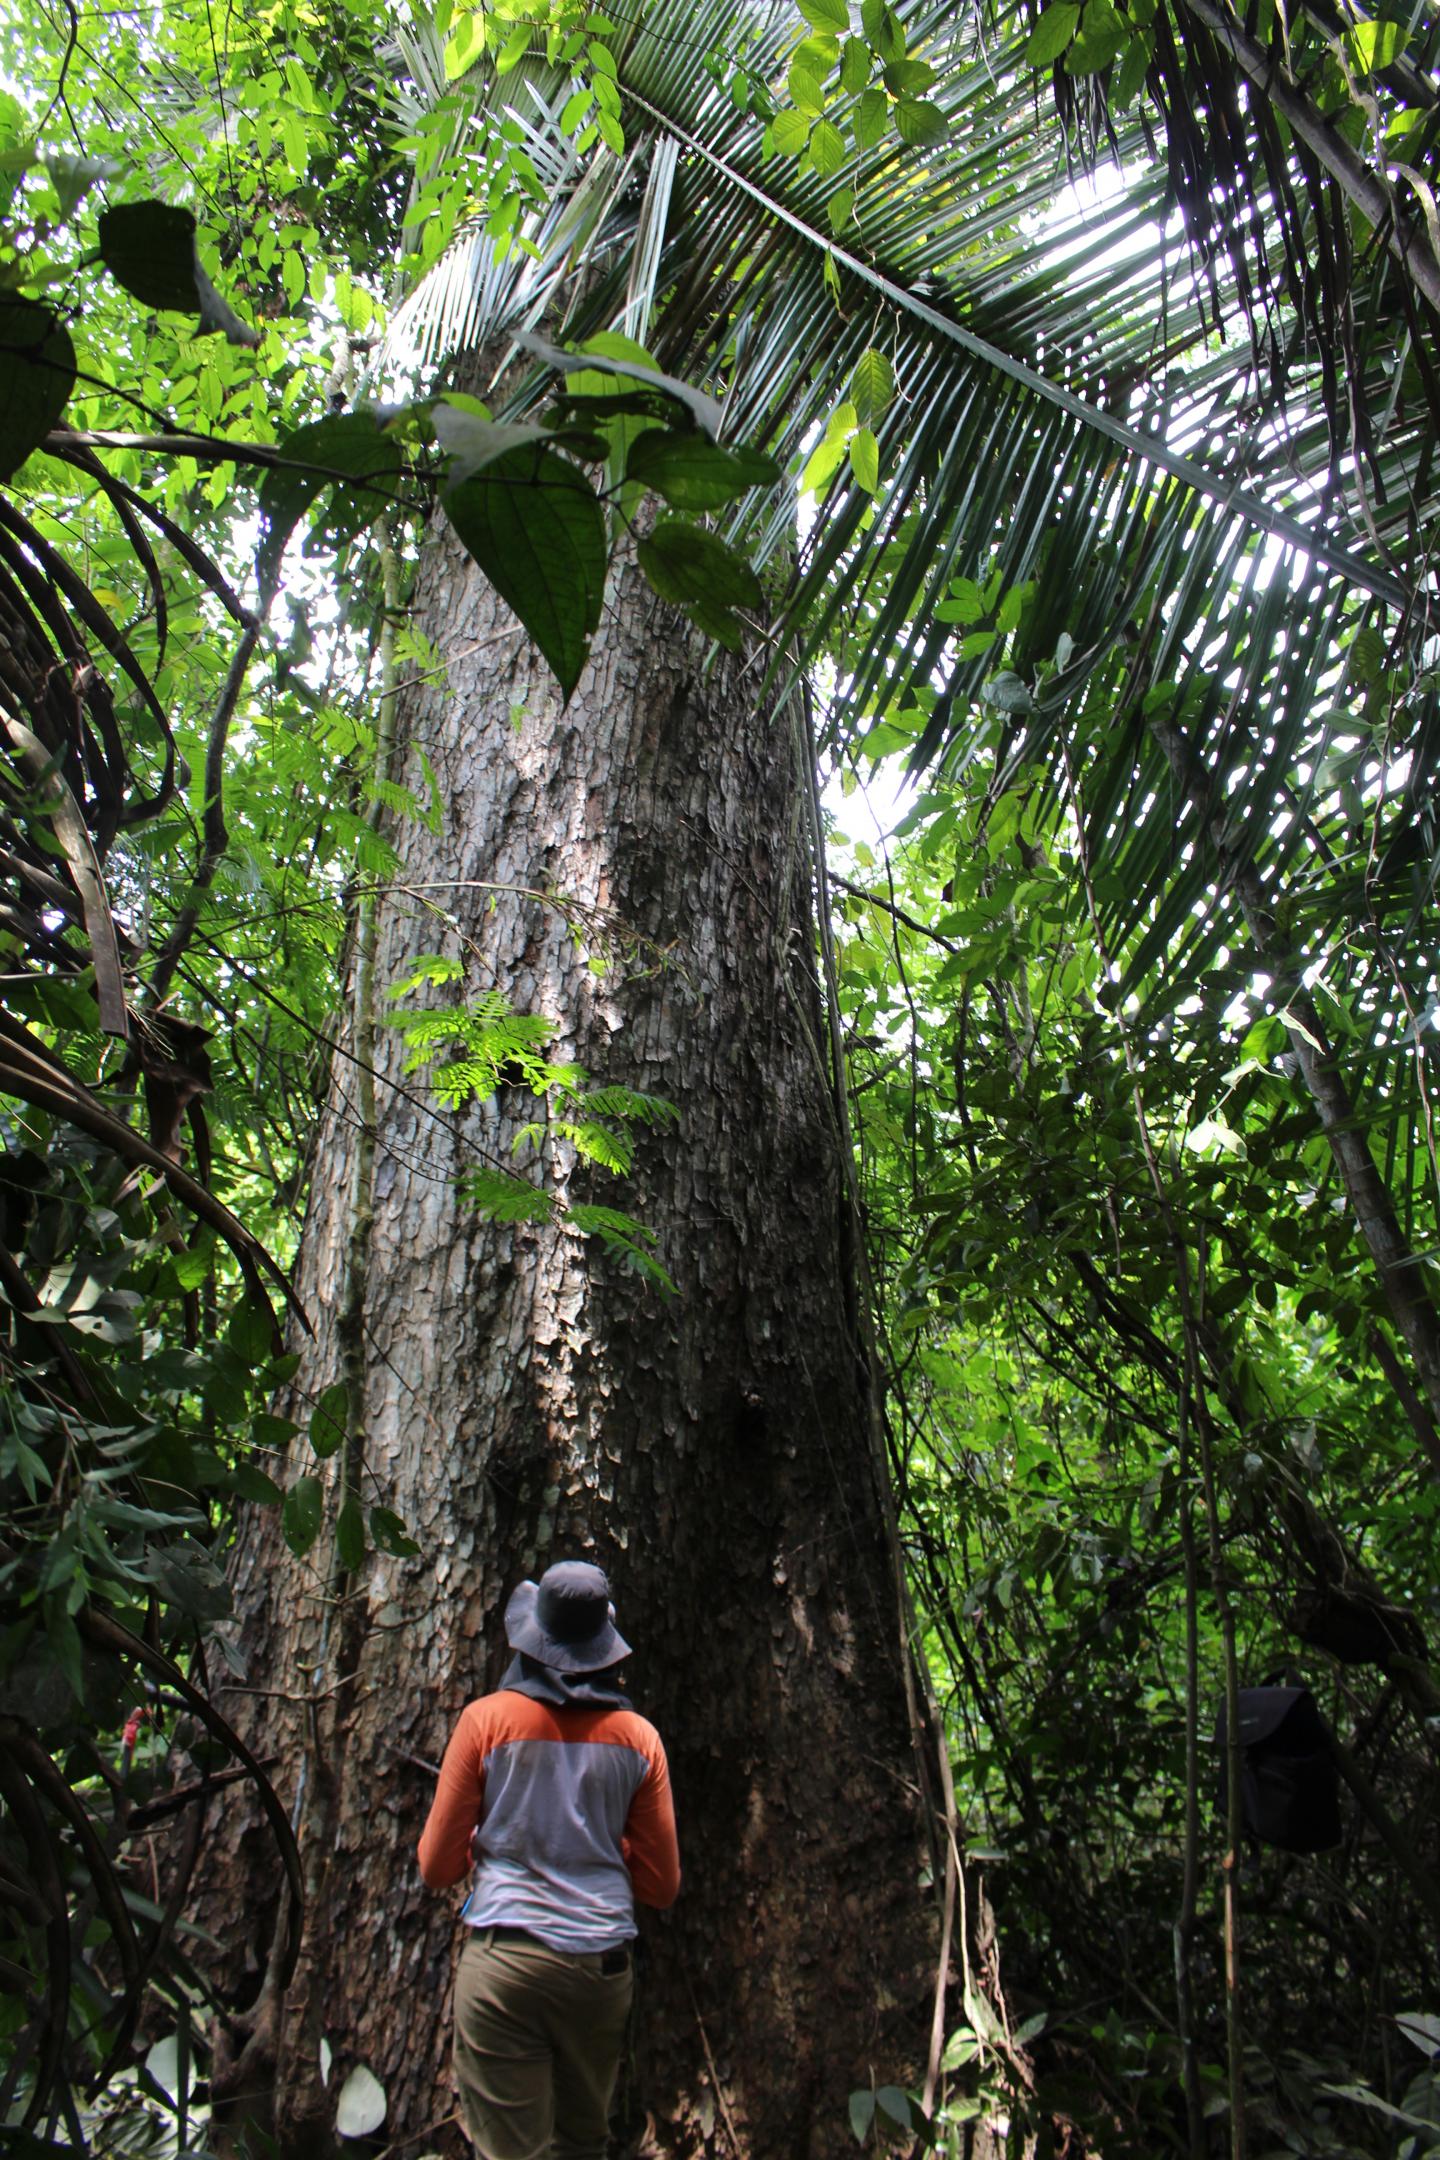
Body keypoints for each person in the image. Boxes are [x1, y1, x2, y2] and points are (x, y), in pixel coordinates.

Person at [418, 1559, 680, 2160]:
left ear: (532, 1640)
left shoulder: (484, 1723)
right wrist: (615, 1845)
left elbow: (436, 1868)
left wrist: (492, 1836)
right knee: (582, 2146)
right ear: (604, 1650)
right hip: (598, 1969)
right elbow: (661, 1887)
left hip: (505, 1966)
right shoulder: (639, 1741)